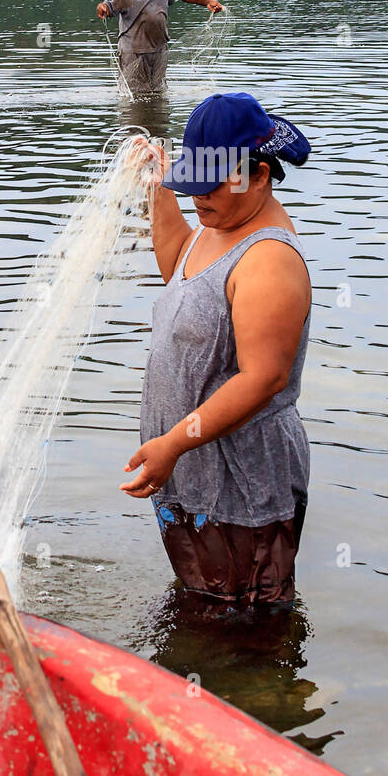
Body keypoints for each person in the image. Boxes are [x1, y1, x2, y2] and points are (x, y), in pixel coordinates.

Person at [121, 92, 313, 607]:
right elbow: (181, 274)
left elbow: (263, 378)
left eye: (210, 186)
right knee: (205, 606)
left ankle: (261, 689)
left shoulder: (268, 259)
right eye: (191, 184)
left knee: (249, 623)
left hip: (242, 485)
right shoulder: (218, 224)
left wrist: (174, 444)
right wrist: (158, 189)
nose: (197, 198)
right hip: (193, 473)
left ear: (259, 176)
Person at [96, 0, 223, 94]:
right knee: (135, 96)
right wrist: (103, 8)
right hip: (133, 51)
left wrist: (207, 2)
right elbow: (108, 6)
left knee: (159, 94)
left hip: (159, 49)